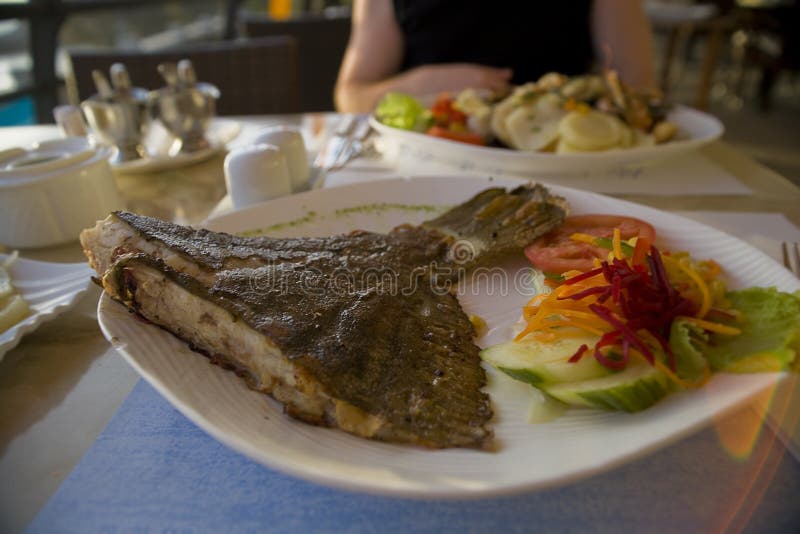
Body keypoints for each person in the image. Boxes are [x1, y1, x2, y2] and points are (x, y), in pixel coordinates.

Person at [335, 0, 656, 113]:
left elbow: (639, 90)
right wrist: (421, 84)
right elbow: (350, 97)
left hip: (569, 174)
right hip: (424, 166)